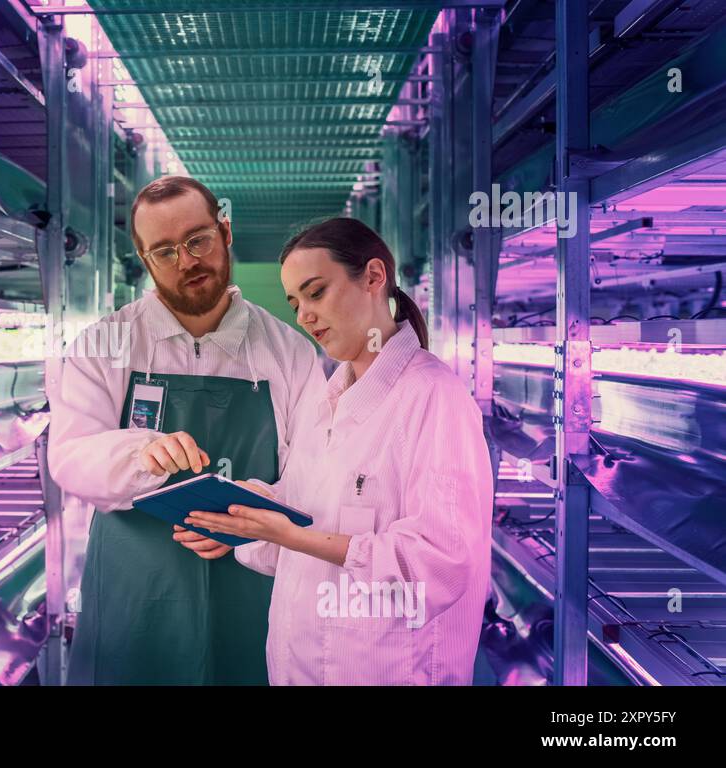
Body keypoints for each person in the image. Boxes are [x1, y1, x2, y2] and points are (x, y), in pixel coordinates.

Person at [183, 217, 492, 685]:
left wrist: (290, 535)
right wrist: (244, 521)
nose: (303, 315)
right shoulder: (328, 401)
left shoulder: (433, 397)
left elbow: (440, 566)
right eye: (294, 302)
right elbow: (306, 519)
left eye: (316, 292)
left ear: (372, 277)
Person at [46, 176, 324, 685]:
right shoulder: (104, 346)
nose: (186, 261)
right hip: (134, 595)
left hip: (254, 587)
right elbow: (69, 455)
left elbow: (316, 472)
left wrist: (253, 514)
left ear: (225, 231)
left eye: (198, 240)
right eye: (164, 251)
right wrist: (141, 454)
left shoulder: (290, 351)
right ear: (144, 260)